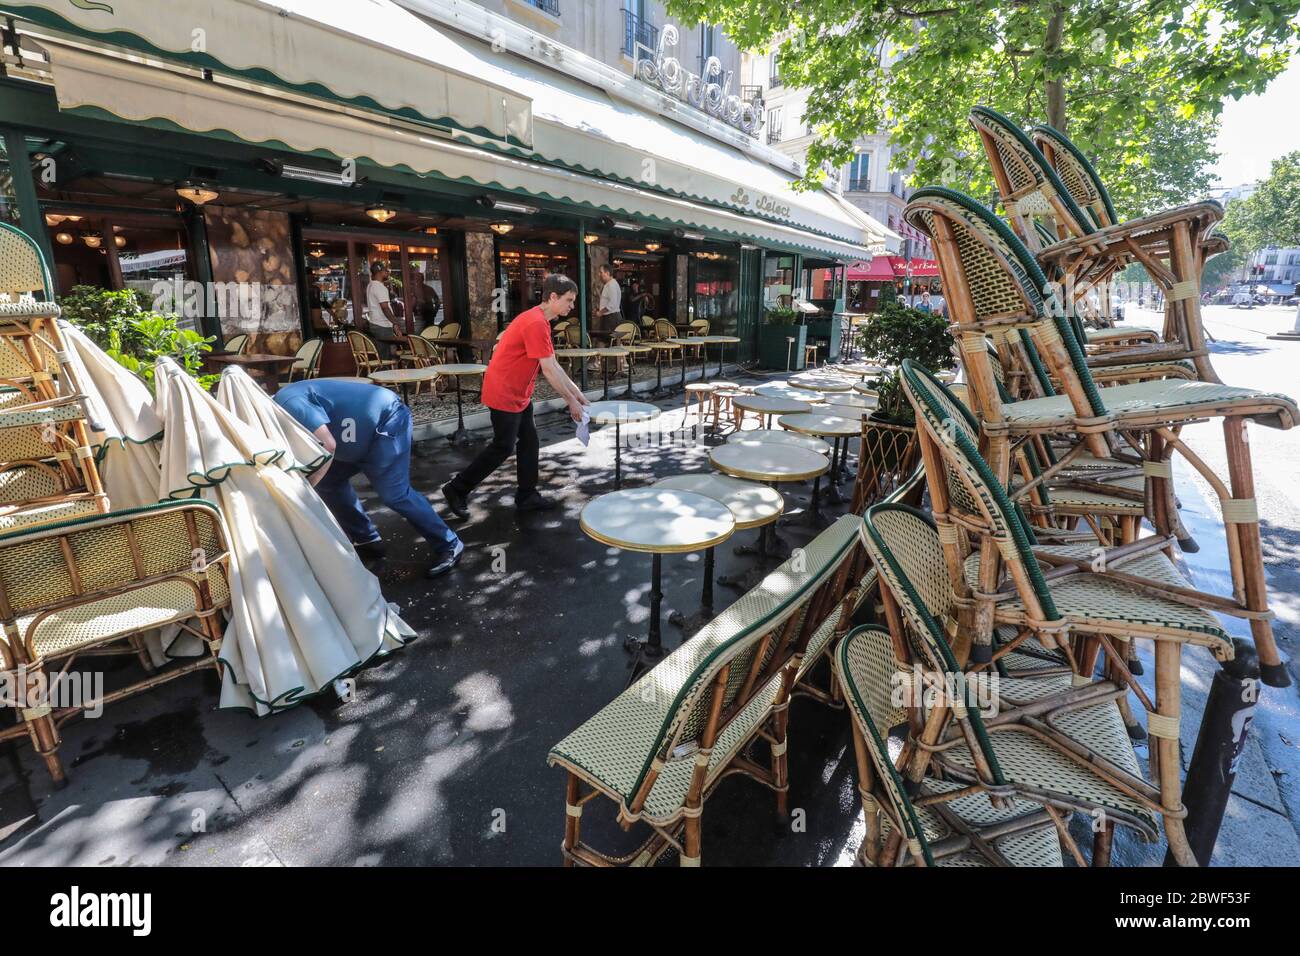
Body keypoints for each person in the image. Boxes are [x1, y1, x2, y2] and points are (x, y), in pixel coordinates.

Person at [276, 379, 465, 577]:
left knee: (395, 494)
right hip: (355, 438)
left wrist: (307, 487)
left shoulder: (289, 403)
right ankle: (366, 538)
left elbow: (327, 445)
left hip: (385, 422)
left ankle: (449, 543)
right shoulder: (279, 407)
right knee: (329, 482)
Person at [442, 274, 588, 516]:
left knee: (529, 441)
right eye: (569, 300)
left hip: (519, 393)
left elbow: (553, 364)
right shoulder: (535, 323)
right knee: (503, 446)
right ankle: (457, 488)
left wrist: (576, 392)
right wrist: (571, 401)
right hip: (504, 391)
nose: (572, 306)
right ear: (553, 297)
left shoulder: (540, 320)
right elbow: (549, 370)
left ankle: (527, 495)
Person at [365, 261, 404, 357]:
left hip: (376, 324)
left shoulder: (370, 285)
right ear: (379, 272)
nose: (388, 272)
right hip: (382, 326)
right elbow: (385, 308)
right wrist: (396, 322)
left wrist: (393, 325)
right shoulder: (379, 287)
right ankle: (386, 371)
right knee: (386, 356)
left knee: (383, 355)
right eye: (386, 270)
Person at [596, 263, 621, 333]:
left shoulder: (611, 285)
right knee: (607, 342)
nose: (599, 275)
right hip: (610, 317)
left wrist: (600, 312)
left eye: (601, 272)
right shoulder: (610, 284)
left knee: (608, 342)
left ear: (607, 273)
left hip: (611, 318)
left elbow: (612, 304)